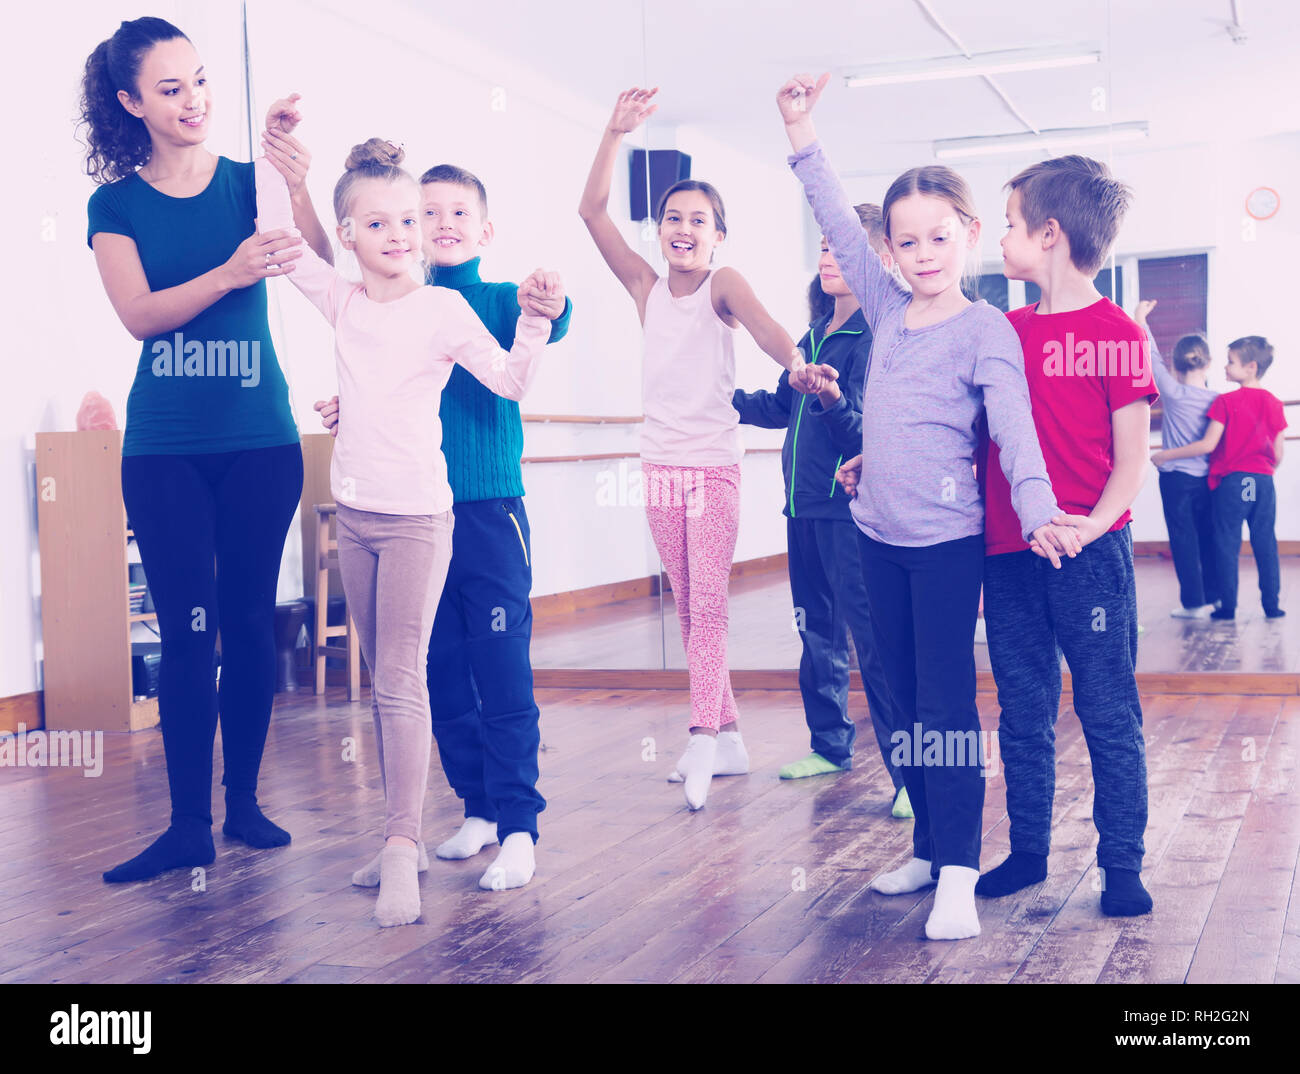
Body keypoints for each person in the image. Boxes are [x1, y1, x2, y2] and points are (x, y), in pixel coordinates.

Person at [778, 73, 1079, 940]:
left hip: (947, 548)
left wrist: (1042, 508)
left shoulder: (986, 330)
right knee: (898, 696)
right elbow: (837, 218)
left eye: (937, 237)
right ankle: (929, 841)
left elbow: (1015, 435)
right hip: (875, 535)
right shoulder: (882, 303)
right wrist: (802, 131)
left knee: (945, 704)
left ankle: (957, 867)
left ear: (970, 235)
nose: (922, 255)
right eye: (905, 243)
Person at [254, 137, 560, 924]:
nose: (401, 233)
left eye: (409, 222)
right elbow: (287, 244)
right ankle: (439, 826)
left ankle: (405, 844)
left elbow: (511, 378)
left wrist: (534, 318)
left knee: (400, 681)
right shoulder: (344, 300)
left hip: (427, 518)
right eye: (382, 223)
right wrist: (285, 164)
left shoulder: (446, 307)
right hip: (354, 518)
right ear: (351, 236)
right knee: (406, 675)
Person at [83, 18, 333, 883]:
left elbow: (331, 276)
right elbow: (140, 314)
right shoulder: (115, 205)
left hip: (262, 443)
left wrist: (297, 191)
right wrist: (230, 271)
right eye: (169, 89)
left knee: (250, 623)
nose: (193, 102)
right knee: (190, 634)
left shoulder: (251, 185)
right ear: (130, 103)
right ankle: (187, 825)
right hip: (166, 452)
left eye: (198, 81)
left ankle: (245, 806)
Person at [579, 87, 812, 812]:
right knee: (686, 606)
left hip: (712, 467)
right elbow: (590, 213)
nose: (684, 229)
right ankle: (732, 735)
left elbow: (771, 330)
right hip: (659, 467)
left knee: (708, 605)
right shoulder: (646, 288)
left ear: (717, 237)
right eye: (673, 218)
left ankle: (703, 734)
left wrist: (796, 364)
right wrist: (613, 134)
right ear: (659, 230)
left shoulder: (722, 285)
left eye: (699, 221)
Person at [977, 153, 1157, 917]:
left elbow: (1131, 461)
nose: (1002, 238)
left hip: (1089, 556)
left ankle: (1121, 864)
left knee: (1107, 708)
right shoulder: (1002, 331)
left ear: (1048, 234)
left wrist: (1090, 527)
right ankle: (1027, 852)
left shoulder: (1116, 333)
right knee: (1023, 708)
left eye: (1011, 224)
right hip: (1010, 555)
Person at [729, 206, 908, 816]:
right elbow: (780, 406)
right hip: (801, 508)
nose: (829, 256)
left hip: (850, 512)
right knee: (816, 632)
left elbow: (865, 437)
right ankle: (831, 745)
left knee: (874, 644)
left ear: (881, 257)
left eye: (845, 247)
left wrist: (830, 397)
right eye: (826, 244)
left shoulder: (881, 336)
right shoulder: (809, 336)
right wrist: (718, 399)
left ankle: (910, 777)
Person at [1152, 336, 1285, 620]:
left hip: (1232, 483)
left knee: (1226, 542)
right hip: (1262, 481)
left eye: (1231, 362)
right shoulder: (1274, 402)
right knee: (1264, 540)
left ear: (1250, 367)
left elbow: (1209, 445)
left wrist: (1165, 455)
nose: (1226, 367)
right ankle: (1271, 606)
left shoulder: (1225, 401)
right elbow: (1278, 453)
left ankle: (1227, 607)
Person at [1134, 299, 1220, 617]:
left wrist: (1140, 318)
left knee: (1183, 541)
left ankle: (1194, 604)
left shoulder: (1172, 391)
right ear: (1208, 363)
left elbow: (1151, 356)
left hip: (1175, 479)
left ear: (1178, 364)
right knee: (1208, 538)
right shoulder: (1218, 400)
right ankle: (1216, 596)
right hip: (1207, 479)